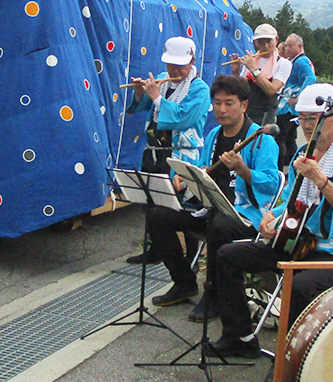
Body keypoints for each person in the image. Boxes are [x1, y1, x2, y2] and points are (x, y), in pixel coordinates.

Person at [209, 84, 333, 359]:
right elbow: (289, 200)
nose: (307, 125)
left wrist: (321, 179)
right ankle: (239, 337)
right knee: (227, 255)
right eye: (303, 118)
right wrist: (272, 216)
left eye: (314, 119)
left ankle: (291, 360)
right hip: (297, 241)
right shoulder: (302, 153)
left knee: (300, 286)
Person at [145, 75, 281, 318]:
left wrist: (243, 169)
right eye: (217, 103)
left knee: (220, 225)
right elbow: (205, 171)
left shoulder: (261, 140)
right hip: (210, 209)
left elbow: (272, 183)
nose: (222, 109)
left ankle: (214, 294)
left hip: (244, 216)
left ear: (244, 105)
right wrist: (189, 177)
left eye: (229, 103)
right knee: (158, 216)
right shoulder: (213, 135)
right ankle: (184, 282)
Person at [124, 36, 210, 264]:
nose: (174, 70)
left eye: (180, 65)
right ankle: (155, 249)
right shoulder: (163, 79)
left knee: (184, 205)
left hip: (181, 153)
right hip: (155, 151)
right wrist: (140, 92)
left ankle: (191, 257)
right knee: (151, 201)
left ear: (192, 61)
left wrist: (156, 97)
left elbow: (182, 118)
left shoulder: (200, 89)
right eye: (171, 64)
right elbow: (144, 106)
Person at [229, 22, 291, 127]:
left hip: (265, 118)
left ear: (276, 40)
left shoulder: (283, 63)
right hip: (246, 114)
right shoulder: (251, 60)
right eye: (261, 42)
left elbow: (271, 90)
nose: (265, 46)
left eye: (269, 41)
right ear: (255, 43)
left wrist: (254, 70)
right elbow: (239, 90)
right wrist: (236, 72)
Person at [276, 33, 317, 169]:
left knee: (281, 138)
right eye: (286, 45)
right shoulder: (296, 61)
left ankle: (280, 169)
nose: (287, 48)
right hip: (289, 106)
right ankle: (295, 167)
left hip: (289, 107)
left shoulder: (301, 61)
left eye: (290, 45)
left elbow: (310, 78)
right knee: (289, 139)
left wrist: (301, 97)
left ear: (300, 46)